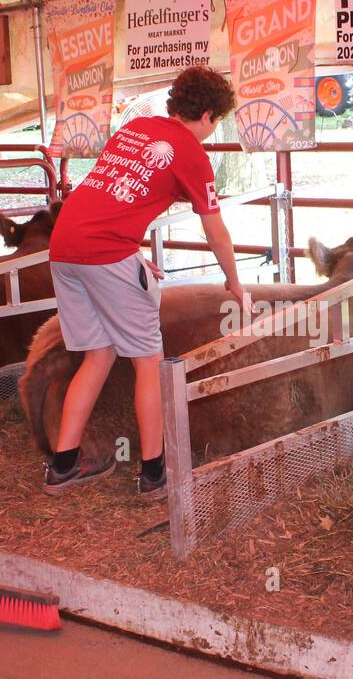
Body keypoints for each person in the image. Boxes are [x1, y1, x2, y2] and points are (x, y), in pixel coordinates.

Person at [44, 66, 246, 499]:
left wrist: (130, 250)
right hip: (104, 252)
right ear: (209, 116)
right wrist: (235, 282)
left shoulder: (135, 127)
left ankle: (63, 465)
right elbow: (215, 229)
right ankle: (154, 473)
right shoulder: (191, 152)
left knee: (97, 355)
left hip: (63, 245)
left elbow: (112, 193)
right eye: (217, 123)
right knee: (148, 362)